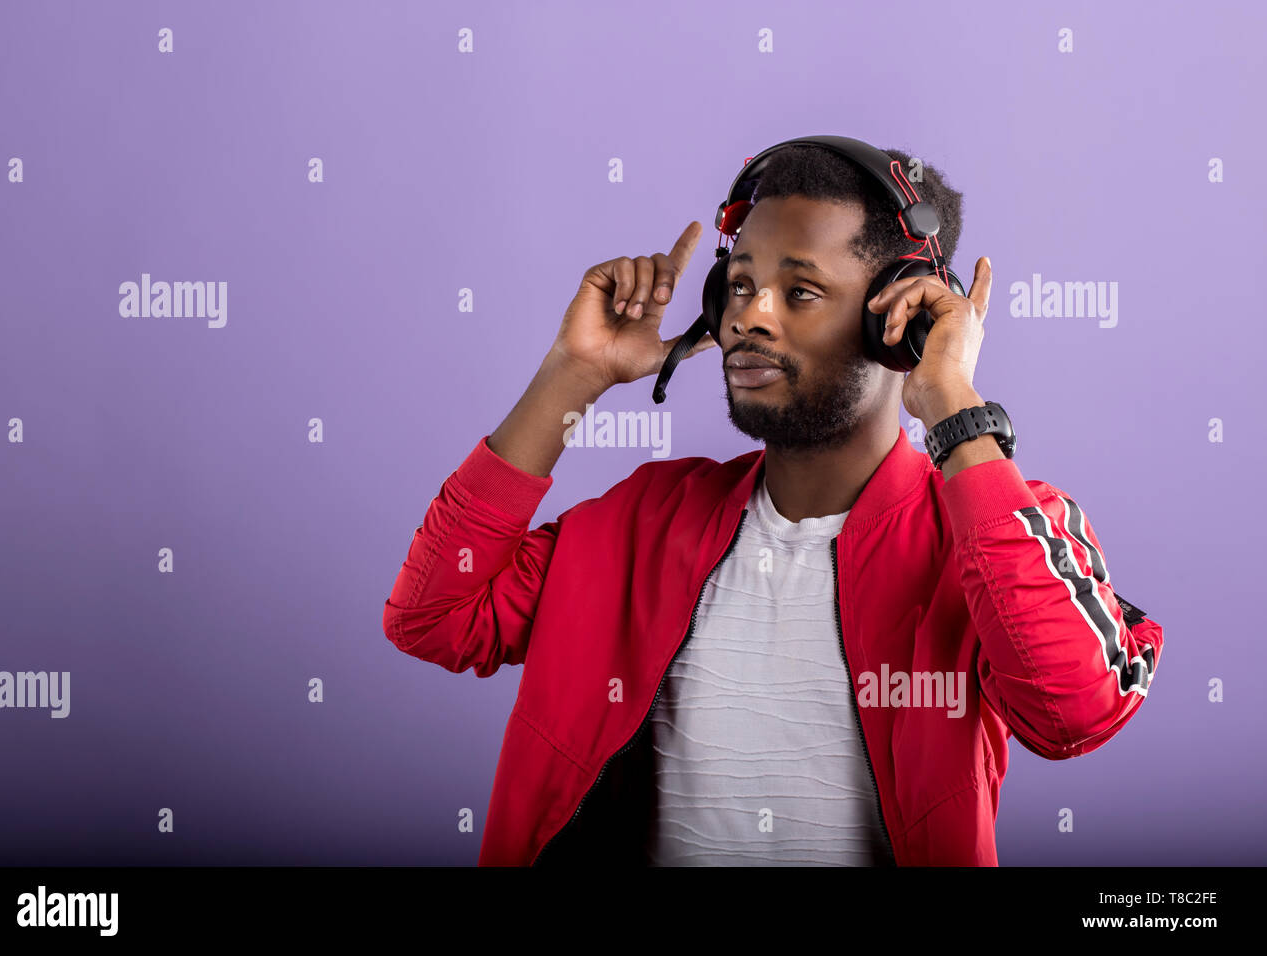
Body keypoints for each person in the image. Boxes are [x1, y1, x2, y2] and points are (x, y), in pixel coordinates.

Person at [382, 144, 1163, 866]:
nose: (749, 316)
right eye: (743, 284)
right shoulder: (643, 518)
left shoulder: (1002, 528)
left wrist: (953, 406)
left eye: (801, 291)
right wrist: (573, 372)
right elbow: (434, 617)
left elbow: (1073, 714)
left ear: (901, 322)